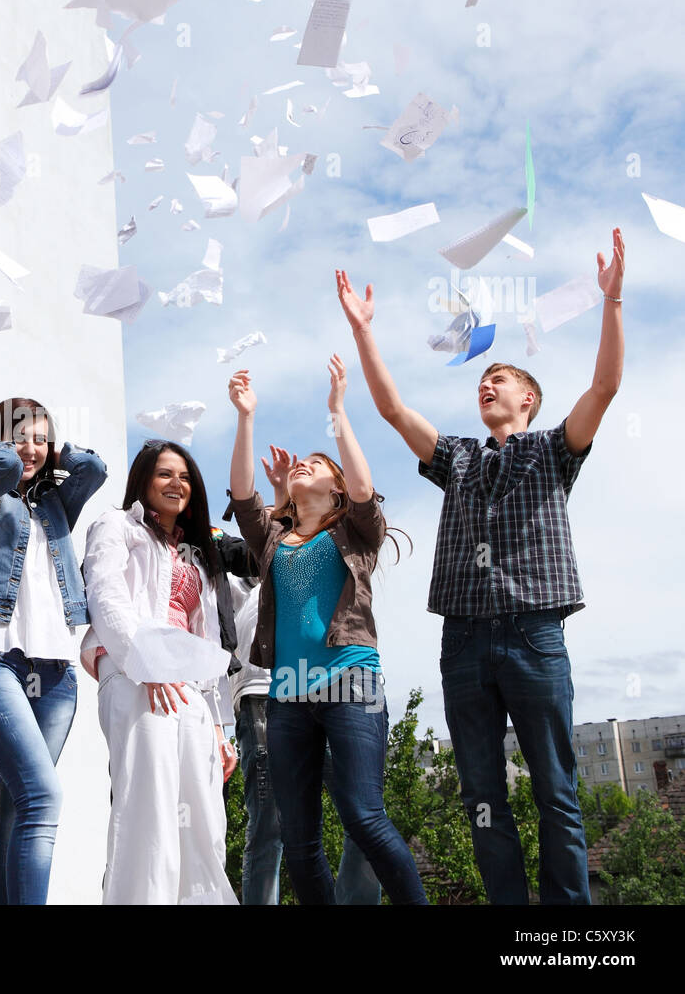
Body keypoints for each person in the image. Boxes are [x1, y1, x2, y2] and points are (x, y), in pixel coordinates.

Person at [336, 229, 625, 905]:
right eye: (480, 381)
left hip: (532, 634)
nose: (485, 383)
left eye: (501, 379)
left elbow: (605, 384)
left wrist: (610, 299)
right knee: (482, 798)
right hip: (463, 640)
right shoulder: (459, 456)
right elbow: (391, 408)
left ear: (529, 400)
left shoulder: (556, 450)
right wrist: (363, 330)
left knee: (555, 789)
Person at [228, 357, 427, 905]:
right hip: (286, 695)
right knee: (298, 843)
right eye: (300, 467)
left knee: (363, 815)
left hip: (349, 682)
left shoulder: (355, 531)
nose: (302, 468)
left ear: (335, 490)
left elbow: (363, 487)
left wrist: (337, 411)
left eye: (316, 466)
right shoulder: (272, 538)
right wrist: (246, 416)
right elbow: (242, 494)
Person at [0, 399, 107, 905]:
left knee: (17, 808)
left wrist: (54, 449)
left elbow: (93, 469)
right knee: (43, 795)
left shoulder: (57, 506)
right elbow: (5, 467)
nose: (31, 448)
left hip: (55, 672)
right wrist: (3, 455)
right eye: (18, 435)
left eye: (41, 438)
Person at [82, 440, 239, 904]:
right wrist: (145, 664)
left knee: (204, 817)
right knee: (148, 807)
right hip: (135, 675)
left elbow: (207, 642)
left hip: (189, 685)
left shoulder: (198, 554)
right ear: (144, 480)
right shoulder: (115, 526)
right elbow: (106, 596)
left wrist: (220, 726)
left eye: (186, 477)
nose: (177, 484)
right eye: (166, 474)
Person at [227, 454, 381, 905]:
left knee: (364, 815)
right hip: (269, 694)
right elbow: (267, 537)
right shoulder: (250, 570)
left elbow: (292, 535)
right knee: (277, 827)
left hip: (341, 685)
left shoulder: (333, 545)